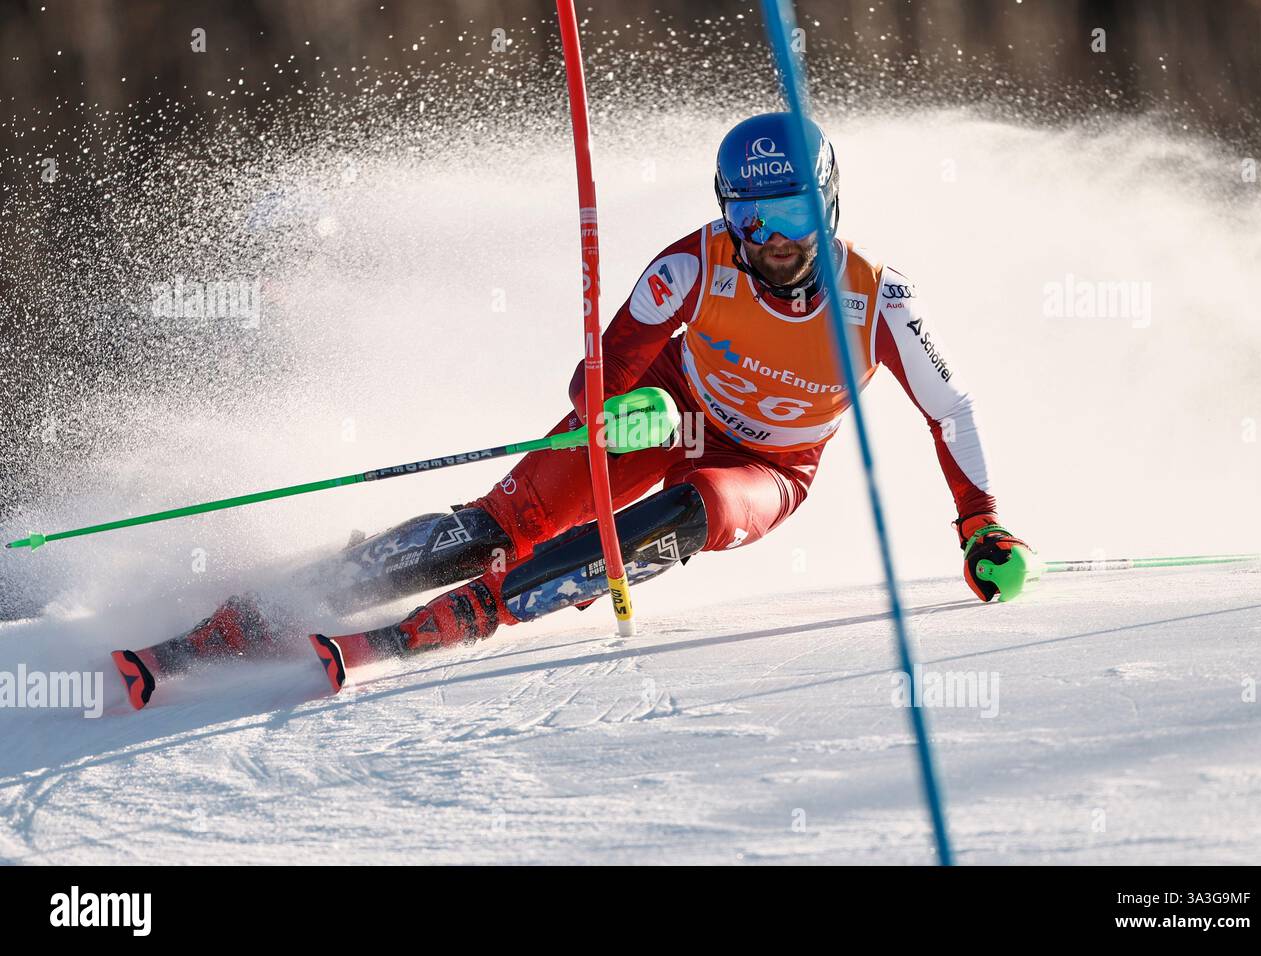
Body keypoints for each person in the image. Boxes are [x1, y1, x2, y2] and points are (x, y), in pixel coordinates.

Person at [111, 112, 1030, 709]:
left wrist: (980, 525)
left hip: (770, 468)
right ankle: (266, 610)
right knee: (500, 520)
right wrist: (615, 406)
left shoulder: (880, 299)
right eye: (749, 218)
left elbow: (952, 411)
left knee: (691, 513)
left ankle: (458, 620)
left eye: (788, 216)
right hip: (671, 408)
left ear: (826, 205)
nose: (770, 242)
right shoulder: (696, 262)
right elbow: (607, 362)